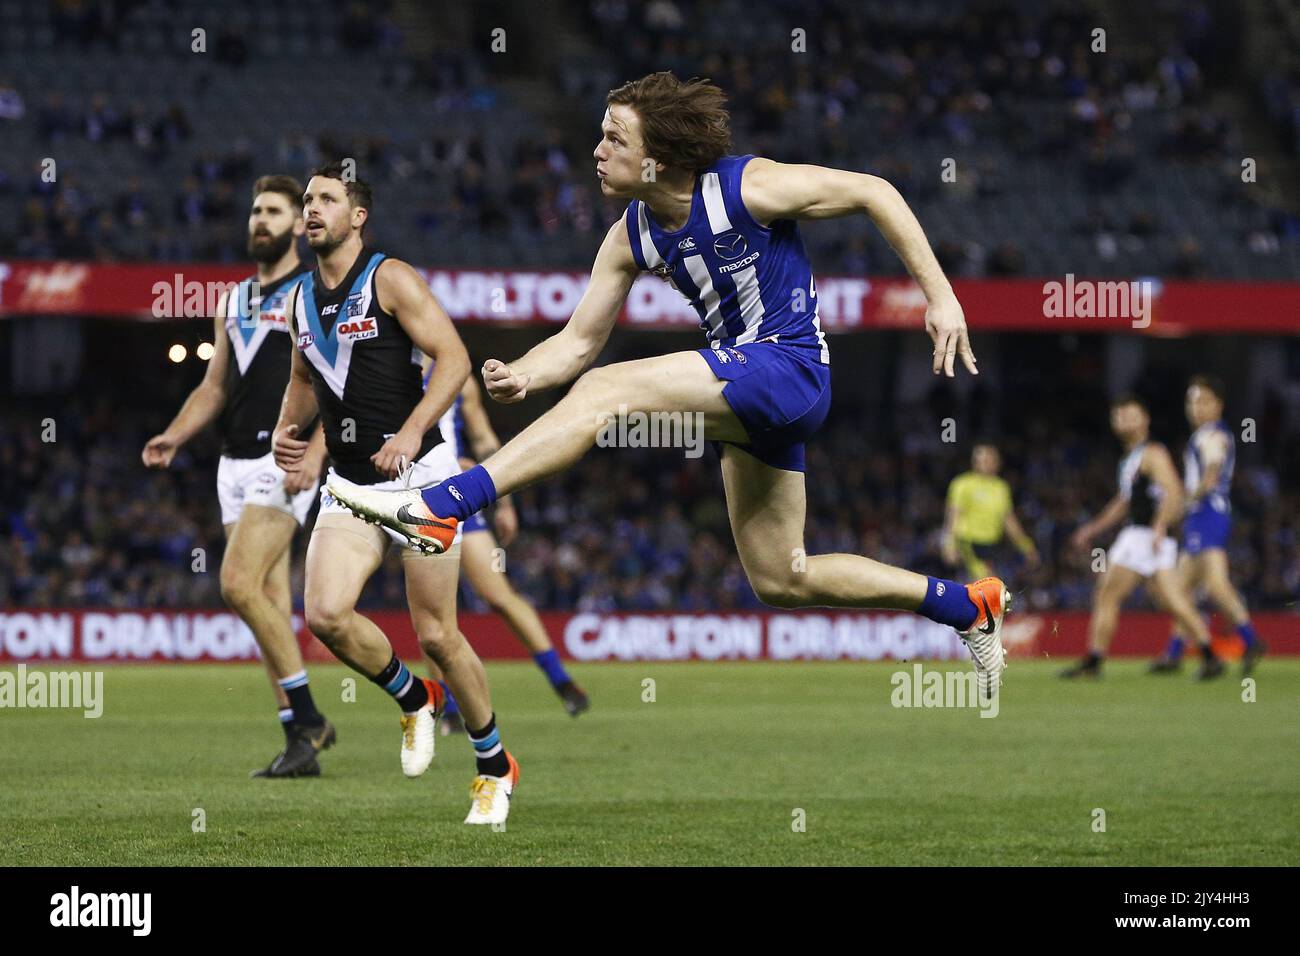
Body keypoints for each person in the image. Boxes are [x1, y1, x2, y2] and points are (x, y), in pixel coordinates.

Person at [324, 73, 1011, 701]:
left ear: (661, 154)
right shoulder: (632, 235)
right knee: (782, 578)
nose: (596, 150)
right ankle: (965, 604)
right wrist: (525, 372)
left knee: (605, 392)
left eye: (614, 137)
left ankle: (443, 504)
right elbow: (578, 339)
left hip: (789, 366)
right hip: (754, 396)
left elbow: (873, 191)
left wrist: (941, 297)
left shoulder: (747, 187)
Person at [272, 163, 517, 824]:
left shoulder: (391, 279)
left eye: (327, 198)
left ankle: (495, 766)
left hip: (422, 482)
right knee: (324, 614)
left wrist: (412, 431)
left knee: (437, 633)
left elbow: (456, 357)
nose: (312, 208)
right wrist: (284, 432)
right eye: (307, 201)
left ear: (357, 217)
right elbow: (303, 375)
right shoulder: (297, 297)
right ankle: (416, 699)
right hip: (350, 484)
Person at [143, 174, 334, 778]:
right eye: (255, 210)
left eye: (274, 211)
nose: (260, 220)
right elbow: (214, 386)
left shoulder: (314, 290)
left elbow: (339, 381)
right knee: (268, 602)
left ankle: (308, 717)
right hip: (231, 460)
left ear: (298, 228)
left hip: (285, 457)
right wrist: (176, 433)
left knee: (236, 584)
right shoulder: (233, 300)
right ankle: (299, 744)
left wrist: (320, 450)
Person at [422, 369, 590, 729]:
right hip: (407, 498)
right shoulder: (384, 365)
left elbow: (483, 440)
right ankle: (449, 707)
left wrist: (506, 502)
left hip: (454, 497)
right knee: (433, 609)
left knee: (498, 595)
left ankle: (560, 679)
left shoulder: (454, 377)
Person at [1061, 395, 1223, 680]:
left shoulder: (1152, 453)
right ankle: (1210, 655)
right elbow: (1124, 502)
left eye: (1130, 415)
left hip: (1143, 535)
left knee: (1107, 594)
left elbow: (1174, 491)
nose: (1124, 420)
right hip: (1152, 537)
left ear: (1145, 419)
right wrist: (1092, 529)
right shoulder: (1133, 457)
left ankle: (1094, 662)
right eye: (1119, 416)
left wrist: (1160, 525)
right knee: (1171, 600)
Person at [1149, 376, 1265, 675]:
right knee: (1181, 590)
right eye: (1191, 401)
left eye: (1203, 401)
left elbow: (1212, 475)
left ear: (1218, 404)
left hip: (1207, 514)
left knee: (1213, 585)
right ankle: (1174, 653)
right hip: (1204, 515)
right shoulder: (1207, 434)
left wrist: (1186, 498)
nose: (1196, 408)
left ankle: (1249, 639)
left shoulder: (1211, 436)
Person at [941, 443, 1040, 582]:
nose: (982, 463)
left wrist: (1026, 547)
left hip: (992, 545)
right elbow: (952, 517)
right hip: (969, 542)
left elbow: (1009, 521)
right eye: (979, 459)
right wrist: (948, 545)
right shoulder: (962, 484)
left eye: (988, 459)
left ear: (997, 462)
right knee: (987, 583)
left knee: (987, 586)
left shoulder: (1001, 487)